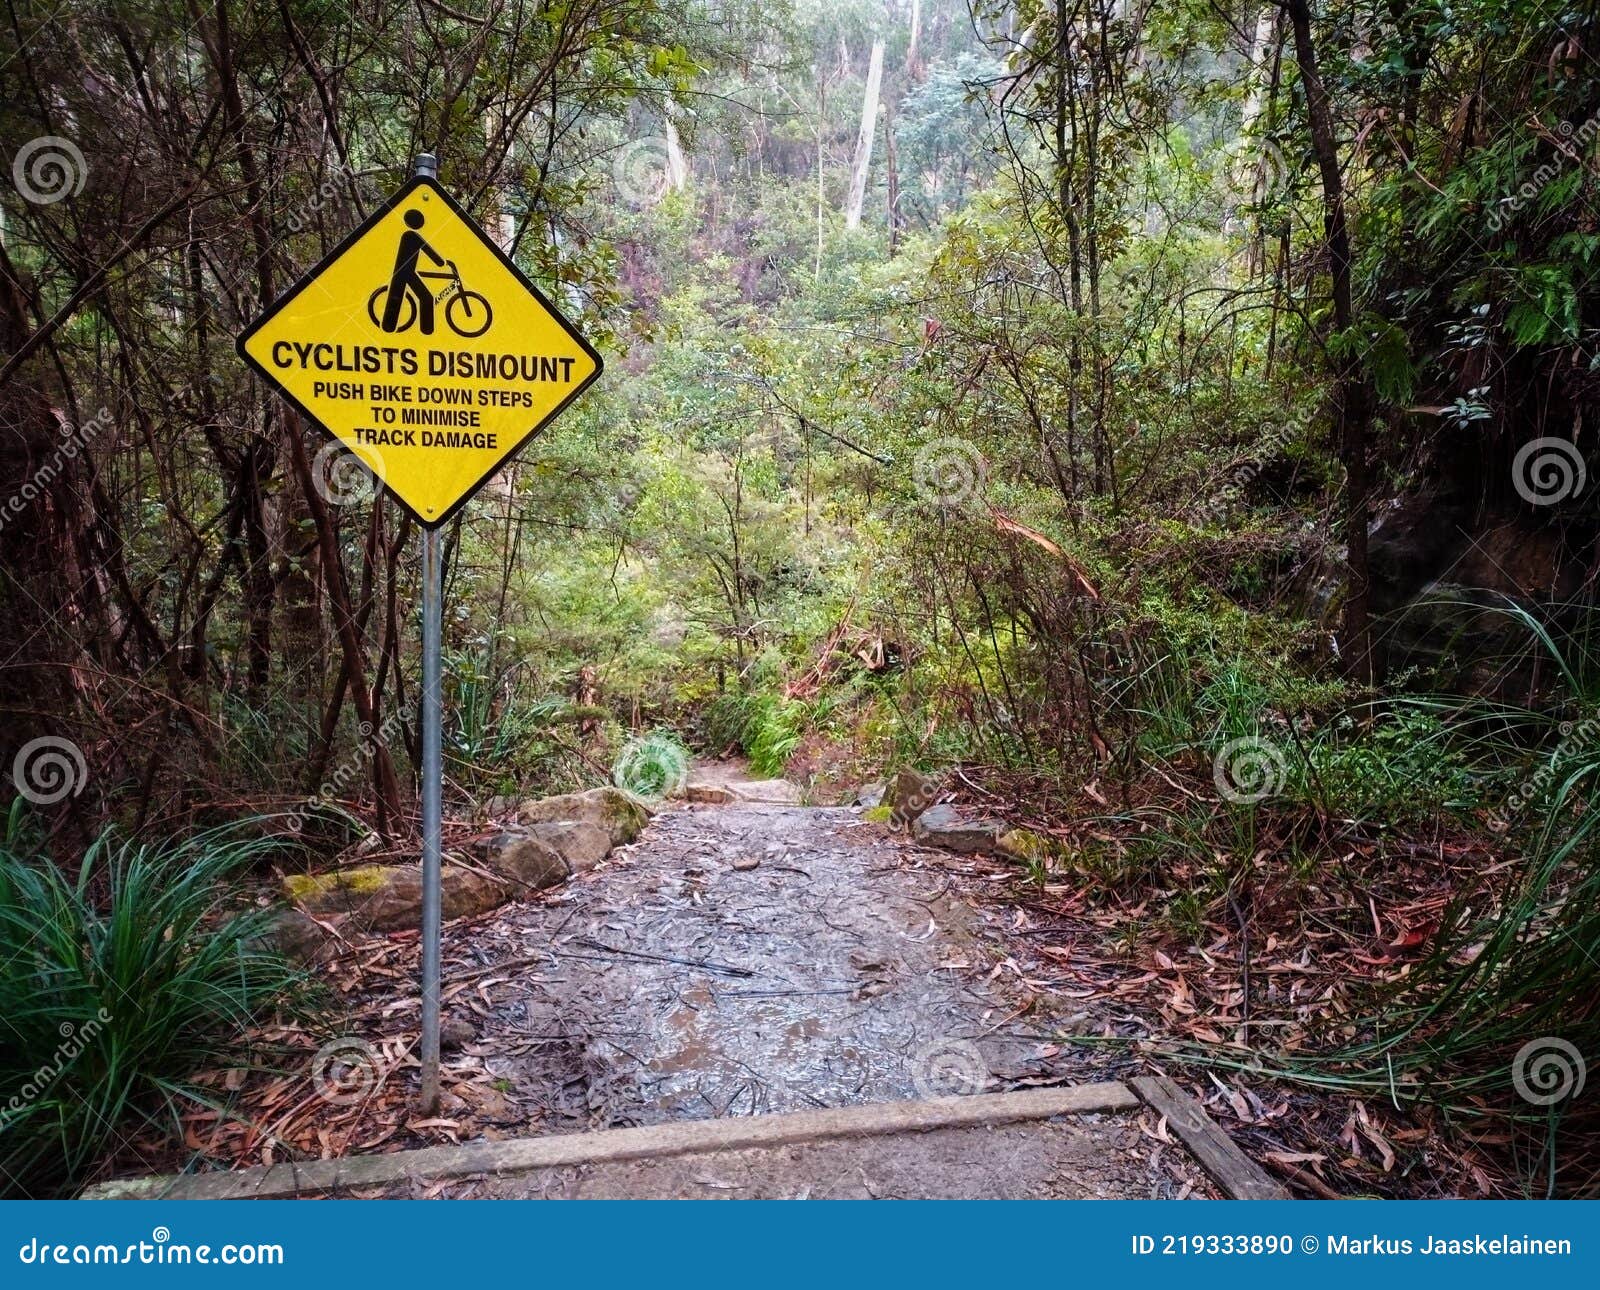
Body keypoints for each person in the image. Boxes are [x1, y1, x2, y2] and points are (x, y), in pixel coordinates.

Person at [381, 209, 447, 334]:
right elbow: (430, 252)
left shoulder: (408, 235)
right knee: (426, 298)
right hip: (406, 273)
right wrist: (442, 263)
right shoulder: (412, 236)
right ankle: (427, 331)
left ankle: (388, 327)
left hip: (402, 272)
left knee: (395, 299)